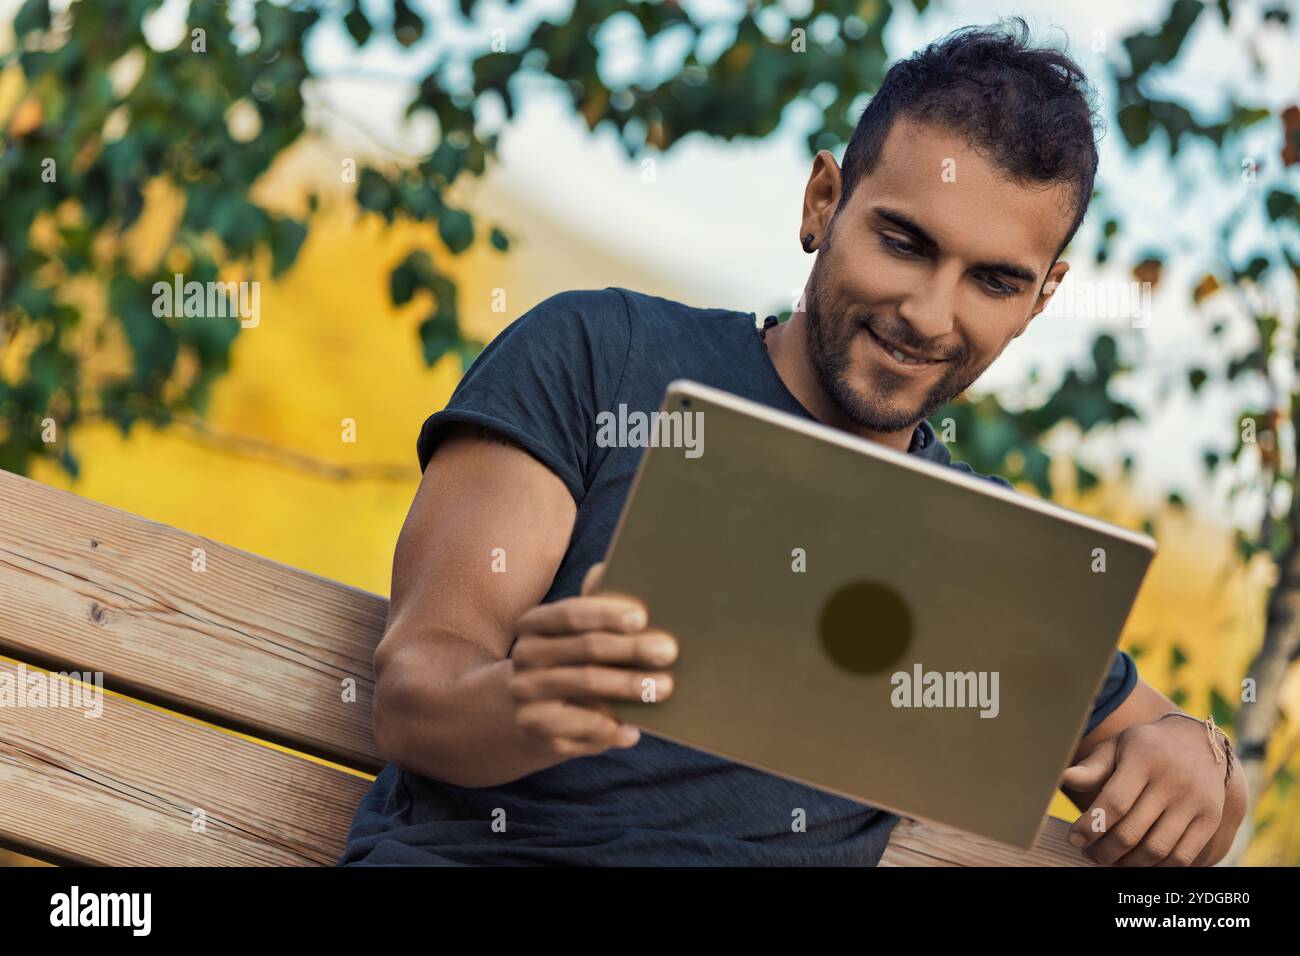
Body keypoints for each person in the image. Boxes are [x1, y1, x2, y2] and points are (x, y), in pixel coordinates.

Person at [339, 20, 1245, 866]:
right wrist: (530, 706)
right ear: (824, 203)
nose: (929, 314)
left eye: (994, 282)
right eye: (904, 242)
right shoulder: (599, 355)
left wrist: (1201, 759)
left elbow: (1196, 792)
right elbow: (418, 694)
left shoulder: (988, 554)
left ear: (1040, 300)